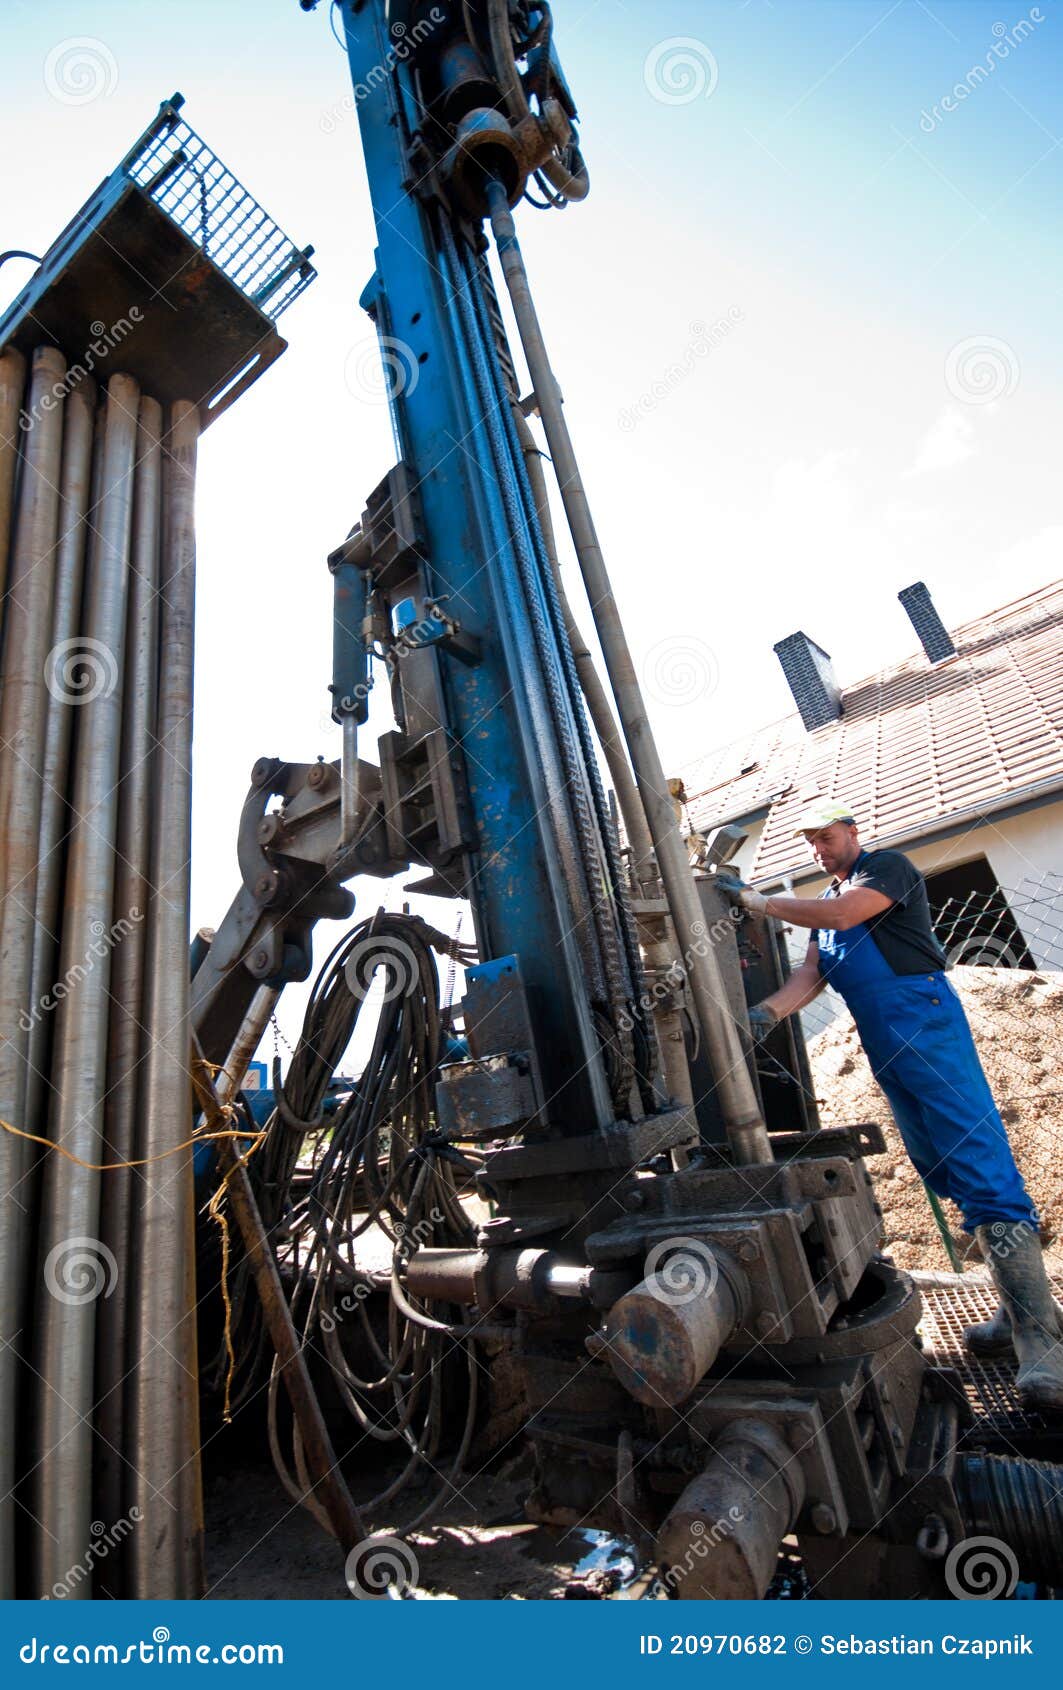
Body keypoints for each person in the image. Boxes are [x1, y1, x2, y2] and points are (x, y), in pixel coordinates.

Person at [725, 800, 1063, 1413]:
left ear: (853, 831)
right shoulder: (823, 912)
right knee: (941, 1165)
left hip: (927, 1027)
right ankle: (1015, 1312)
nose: (821, 851)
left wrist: (756, 901)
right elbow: (812, 975)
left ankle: (1043, 1339)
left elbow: (847, 912)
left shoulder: (886, 871)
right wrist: (762, 1014)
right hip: (887, 1045)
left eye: (828, 838)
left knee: (980, 1160)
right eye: (813, 844)